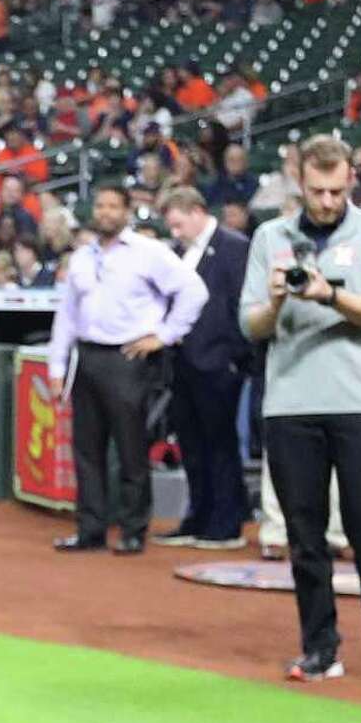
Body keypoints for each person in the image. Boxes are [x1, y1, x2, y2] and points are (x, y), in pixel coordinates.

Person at [241, 134, 361, 686]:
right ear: (300, 181)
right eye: (316, 190)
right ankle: (319, 648)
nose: (325, 200)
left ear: (350, 179)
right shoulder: (270, 236)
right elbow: (249, 325)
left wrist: (330, 296)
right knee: (305, 534)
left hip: (360, 401)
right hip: (291, 401)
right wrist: (277, 300)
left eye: (334, 188)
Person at [47, 182, 206, 554]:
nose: (105, 212)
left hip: (129, 357)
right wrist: (57, 366)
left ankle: (134, 529)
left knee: (131, 448)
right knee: (86, 450)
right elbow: (66, 315)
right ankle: (91, 529)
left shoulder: (149, 252)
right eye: (100, 205)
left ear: (126, 212)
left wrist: (165, 335)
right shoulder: (82, 257)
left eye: (112, 206)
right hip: (87, 356)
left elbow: (194, 291)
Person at [157, 186, 252, 549]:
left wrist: (233, 356)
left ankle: (226, 524)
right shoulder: (180, 252)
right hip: (183, 362)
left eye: (179, 224)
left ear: (197, 211)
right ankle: (197, 517)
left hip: (219, 362)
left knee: (220, 444)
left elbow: (241, 305)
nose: (176, 232)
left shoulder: (234, 247)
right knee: (192, 444)